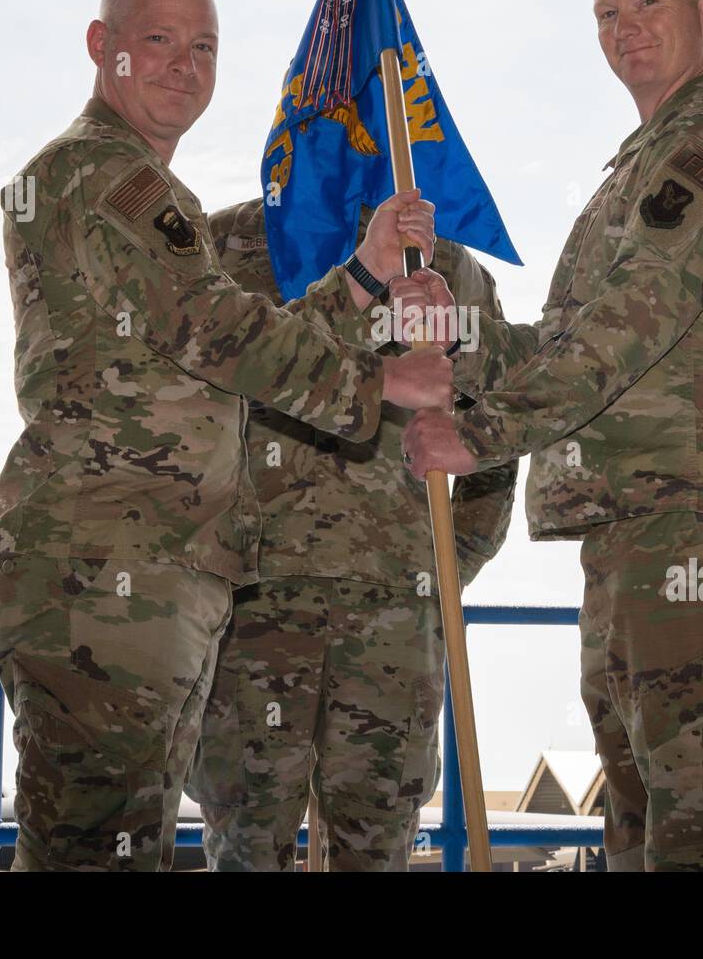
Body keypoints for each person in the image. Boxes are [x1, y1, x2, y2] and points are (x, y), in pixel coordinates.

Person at [0, 0, 451, 871]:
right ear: (101, 47)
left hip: (150, 569)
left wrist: (359, 273)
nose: (183, 64)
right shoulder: (102, 173)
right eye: (157, 40)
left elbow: (224, 352)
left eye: (203, 46)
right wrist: (379, 385)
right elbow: (217, 330)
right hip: (105, 571)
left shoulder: (138, 188)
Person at [400, 0, 703, 871]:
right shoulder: (634, 175)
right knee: (644, 840)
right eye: (607, 12)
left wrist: (474, 435)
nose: (625, 29)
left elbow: (626, 332)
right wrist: (457, 320)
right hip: (639, 541)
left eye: (649, 5)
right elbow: (568, 342)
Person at [185, 197, 517, 870]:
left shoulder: (450, 265)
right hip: (253, 603)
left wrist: (444, 565)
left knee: (377, 836)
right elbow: (191, 404)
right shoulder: (224, 243)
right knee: (246, 838)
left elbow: (499, 426)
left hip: (394, 610)